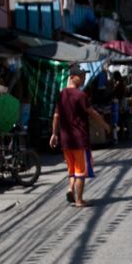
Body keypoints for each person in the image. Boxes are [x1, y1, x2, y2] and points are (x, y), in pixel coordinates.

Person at [50, 64, 109, 208]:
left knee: (72, 169)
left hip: (66, 139)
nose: (83, 79)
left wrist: (54, 134)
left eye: (83, 76)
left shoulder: (61, 94)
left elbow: (56, 115)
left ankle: (71, 189)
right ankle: (79, 200)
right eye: (81, 76)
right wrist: (105, 125)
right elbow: (92, 113)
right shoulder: (80, 95)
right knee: (80, 171)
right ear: (72, 77)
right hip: (79, 139)